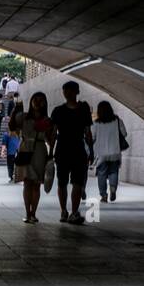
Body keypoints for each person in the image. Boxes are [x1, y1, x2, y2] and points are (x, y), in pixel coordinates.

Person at [51, 81, 93, 224]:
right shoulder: (58, 111)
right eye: (65, 90)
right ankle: (64, 211)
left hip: (78, 149)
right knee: (62, 182)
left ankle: (73, 212)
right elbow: (53, 132)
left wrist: (91, 151)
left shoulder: (83, 109)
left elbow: (88, 131)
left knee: (77, 182)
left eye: (69, 90)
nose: (67, 92)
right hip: (63, 149)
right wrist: (50, 151)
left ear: (76, 92)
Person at [16, 92, 54, 223]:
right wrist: (16, 107)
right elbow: (12, 125)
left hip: (38, 150)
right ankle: (28, 213)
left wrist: (51, 154)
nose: (37, 102)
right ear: (31, 101)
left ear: (45, 103)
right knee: (27, 183)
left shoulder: (47, 121)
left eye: (40, 100)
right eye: (35, 99)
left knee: (36, 183)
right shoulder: (24, 117)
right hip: (27, 148)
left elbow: (51, 139)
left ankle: (32, 213)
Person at [91, 101, 126, 204]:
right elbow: (124, 133)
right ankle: (113, 188)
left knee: (101, 174)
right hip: (115, 152)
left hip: (101, 153)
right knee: (113, 172)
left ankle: (104, 195)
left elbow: (92, 137)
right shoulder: (117, 120)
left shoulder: (96, 123)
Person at [3, 101, 23, 183]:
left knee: (12, 164)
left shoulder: (12, 125)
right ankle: (13, 176)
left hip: (16, 149)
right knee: (12, 164)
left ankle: (13, 176)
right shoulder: (11, 127)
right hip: (16, 148)